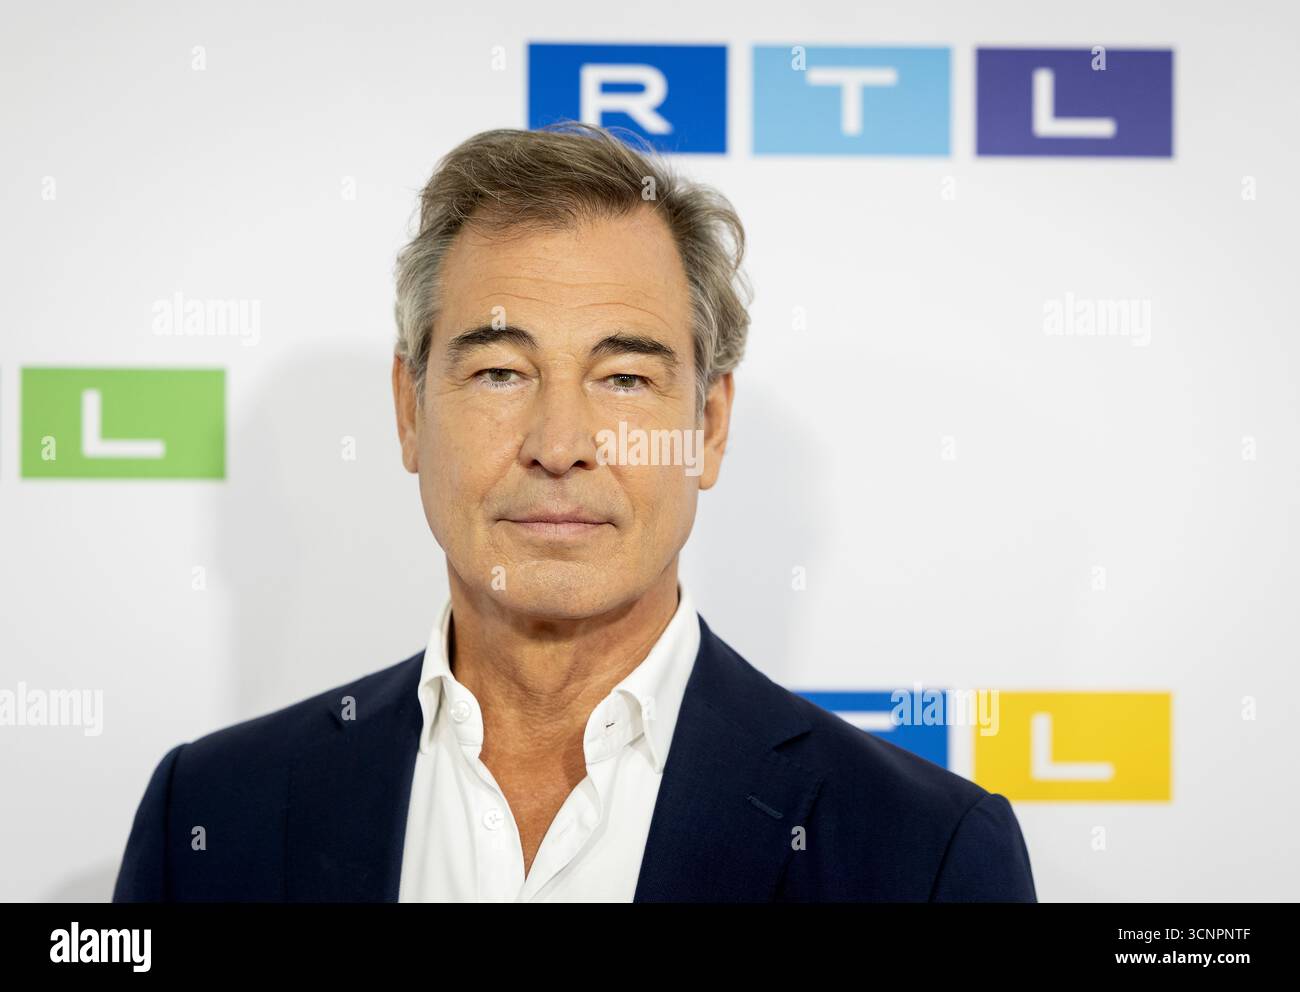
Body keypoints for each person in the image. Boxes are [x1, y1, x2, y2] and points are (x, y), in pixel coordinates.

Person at [112, 120, 1036, 902]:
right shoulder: (207, 815)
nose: (560, 444)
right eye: (500, 372)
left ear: (708, 429)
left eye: (624, 378)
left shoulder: (923, 856)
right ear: (409, 411)